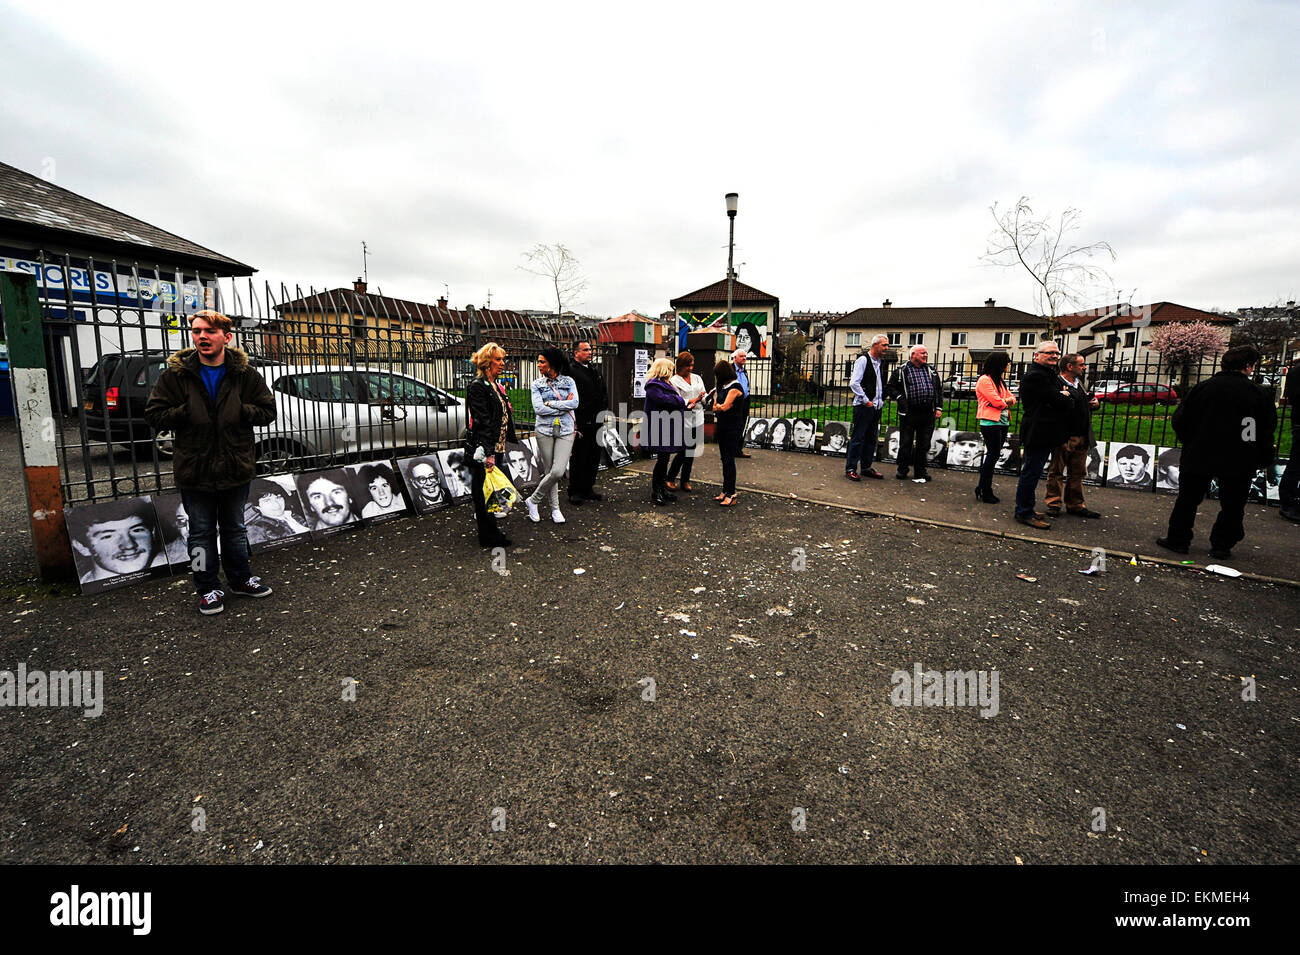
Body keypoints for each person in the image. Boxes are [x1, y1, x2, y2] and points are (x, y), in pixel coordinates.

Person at [144, 309, 276, 614]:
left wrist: (241, 411)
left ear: (226, 338)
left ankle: (241, 579)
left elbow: (268, 411)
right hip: (195, 470)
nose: (202, 336)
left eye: (210, 331)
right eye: (197, 331)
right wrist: (184, 412)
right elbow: (153, 414)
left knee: (235, 529)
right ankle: (206, 587)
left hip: (235, 466)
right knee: (201, 533)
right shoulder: (176, 375)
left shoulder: (244, 374)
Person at [1157, 346, 1277, 559]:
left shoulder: (1203, 388)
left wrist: (1192, 440)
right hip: (1240, 455)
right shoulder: (1259, 393)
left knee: (1188, 499)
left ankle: (1178, 540)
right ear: (1248, 367)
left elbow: (1180, 420)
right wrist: (1262, 455)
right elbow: (1265, 429)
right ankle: (1222, 544)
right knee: (1233, 504)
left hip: (1201, 451)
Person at [1013, 340, 1073, 529]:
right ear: (1037, 355)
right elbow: (1058, 400)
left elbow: (1062, 396)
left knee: (1033, 471)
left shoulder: (1048, 375)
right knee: (1031, 473)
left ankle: (1026, 509)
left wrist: (1064, 395)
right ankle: (1023, 512)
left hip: (1046, 430)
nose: (1054, 356)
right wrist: (1063, 396)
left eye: (1056, 353)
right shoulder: (1036, 376)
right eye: (1049, 353)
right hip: (1038, 431)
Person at [464, 342, 518, 547]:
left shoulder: (495, 385)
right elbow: (482, 421)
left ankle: (491, 531)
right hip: (485, 448)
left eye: (503, 359)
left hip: (498, 445)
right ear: (487, 363)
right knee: (482, 490)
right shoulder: (478, 386)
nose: (502, 363)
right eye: (498, 360)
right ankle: (487, 536)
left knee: (491, 490)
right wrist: (488, 452)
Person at [525, 347, 579, 524]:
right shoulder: (537, 384)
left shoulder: (569, 381)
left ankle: (533, 500)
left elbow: (575, 402)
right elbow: (538, 408)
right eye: (538, 361)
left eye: (542, 361)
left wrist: (551, 403)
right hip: (544, 430)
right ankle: (555, 509)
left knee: (558, 471)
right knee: (549, 471)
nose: (538, 365)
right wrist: (563, 405)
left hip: (566, 429)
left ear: (552, 363)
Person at [1044, 353, 1102, 518]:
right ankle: (1054, 503)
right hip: (1064, 435)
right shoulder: (1056, 384)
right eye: (1081, 364)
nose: (1084, 367)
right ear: (1070, 366)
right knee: (1056, 471)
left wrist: (1095, 404)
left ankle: (1075, 504)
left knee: (1077, 472)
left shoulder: (1079, 384)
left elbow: (1082, 403)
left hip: (1082, 435)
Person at [70, 499, 166, 584]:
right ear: (82, 547)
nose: (129, 545)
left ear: (153, 533)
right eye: (108, 536)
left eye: (136, 530)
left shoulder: (172, 561)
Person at [885, 344, 943, 481]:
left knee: (924, 444)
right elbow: (890, 388)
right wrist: (900, 398)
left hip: (928, 413)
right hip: (909, 413)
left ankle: (920, 471)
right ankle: (902, 469)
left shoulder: (931, 370)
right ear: (913, 355)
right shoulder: (901, 370)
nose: (925, 355)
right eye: (922, 353)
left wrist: (939, 407)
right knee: (906, 443)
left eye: (926, 353)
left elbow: (938, 390)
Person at [643, 357, 687, 506]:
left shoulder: (663, 384)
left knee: (664, 459)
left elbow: (671, 400)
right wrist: (681, 401)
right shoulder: (653, 385)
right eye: (670, 368)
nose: (672, 371)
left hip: (666, 426)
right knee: (662, 461)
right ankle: (657, 492)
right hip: (660, 426)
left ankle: (662, 489)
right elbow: (667, 401)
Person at [567, 338, 607, 505]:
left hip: (597, 419)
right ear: (576, 353)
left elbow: (602, 390)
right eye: (585, 350)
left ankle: (587, 488)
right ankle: (575, 490)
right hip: (582, 420)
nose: (590, 352)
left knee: (593, 455)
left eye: (590, 350)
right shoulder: (571, 370)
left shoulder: (593, 369)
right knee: (579, 456)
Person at [974, 352, 1016, 503]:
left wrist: (1004, 401)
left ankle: (982, 488)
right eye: (1006, 362)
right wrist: (1004, 401)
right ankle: (985, 489)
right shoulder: (984, 380)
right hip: (990, 423)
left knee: (994, 455)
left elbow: (1012, 398)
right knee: (992, 456)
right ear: (999, 363)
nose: (1008, 365)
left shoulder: (999, 380)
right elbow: (999, 403)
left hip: (1003, 422)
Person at [845, 334, 888, 480]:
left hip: (876, 407)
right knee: (858, 438)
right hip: (864, 407)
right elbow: (854, 383)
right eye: (884, 345)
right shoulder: (863, 360)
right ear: (875, 345)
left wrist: (880, 400)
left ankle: (866, 467)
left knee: (871, 438)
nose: (886, 348)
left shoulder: (880, 362)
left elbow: (878, 384)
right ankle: (851, 468)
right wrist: (865, 400)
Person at [666, 351, 707, 492]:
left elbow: (703, 394)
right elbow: (677, 400)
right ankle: (670, 477)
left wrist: (706, 397)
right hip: (684, 419)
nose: (690, 368)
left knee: (692, 451)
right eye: (687, 366)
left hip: (698, 417)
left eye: (692, 365)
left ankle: (685, 479)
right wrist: (692, 401)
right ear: (680, 365)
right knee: (684, 450)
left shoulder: (696, 378)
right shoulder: (674, 381)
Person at [712, 360, 746, 506]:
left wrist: (720, 406)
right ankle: (725, 490)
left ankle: (731, 493)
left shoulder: (735, 387)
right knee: (724, 459)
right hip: (722, 426)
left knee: (729, 459)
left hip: (732, 427)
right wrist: (719, 406)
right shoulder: (723, 387)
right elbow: (716, 406)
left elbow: (724, 407)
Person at [245, 477, 310, 544]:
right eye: (267, 500)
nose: (276, 504)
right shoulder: (255, 529)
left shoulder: (294, 515)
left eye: (278, 497)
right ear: (257, 507)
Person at [1277, 363, 1298, 522]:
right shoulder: (1296, 372)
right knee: (1296, 464)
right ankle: (1288, 503)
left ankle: (1288, 502)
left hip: (1299, 421)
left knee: (1296, 463)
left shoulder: (1295, 371)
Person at [732, 348, 752, 458]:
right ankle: (731, 449)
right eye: (741, 356)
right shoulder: (730, 370)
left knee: (742, 426)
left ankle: (738, 450)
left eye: (745, 356)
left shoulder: (744, 371)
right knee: (734, 426)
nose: (744, 358)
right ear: (735, 358)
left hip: (744, 403)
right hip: (734, 403)